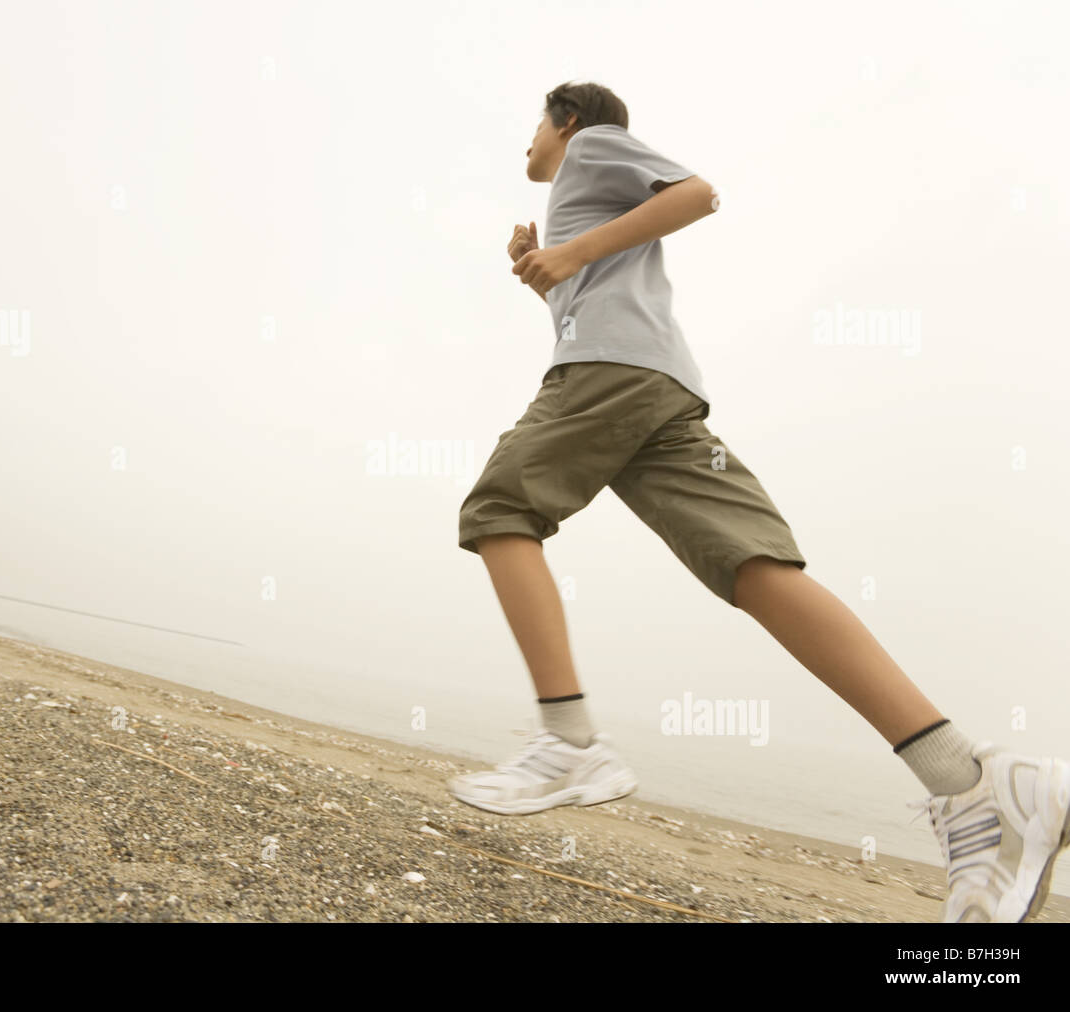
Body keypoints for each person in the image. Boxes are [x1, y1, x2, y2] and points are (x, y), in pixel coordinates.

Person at [449, 80, 1070, 923]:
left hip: (610, 378)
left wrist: (570, 251)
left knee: (500, 510)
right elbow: (605, 288)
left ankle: (568, 742)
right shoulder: (577, 202)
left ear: (565, 122)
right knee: (756, 570)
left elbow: (697, 194)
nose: (529, 144)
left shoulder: (590, 148)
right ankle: (974, 780)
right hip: (654, 392)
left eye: (534, 125)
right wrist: (546, 271)